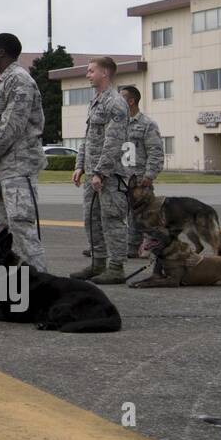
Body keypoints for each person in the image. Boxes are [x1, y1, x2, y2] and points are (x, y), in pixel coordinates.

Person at [0, 33, 48, 271]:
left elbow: (10, 127)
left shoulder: (19, 80)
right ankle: (8, 295)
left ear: (2, 52)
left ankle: (38, 294)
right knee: (4, 237)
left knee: (23, 233)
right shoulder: (5, 82)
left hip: (18, 170)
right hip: (3, 171)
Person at [70, 56, 131, 284]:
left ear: (104, 73)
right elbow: (89, 138)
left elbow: (113, 141)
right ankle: (98, 264)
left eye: (91, 71)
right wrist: (80, 166)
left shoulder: (115, 102)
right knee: (91, 219)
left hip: (109, 176)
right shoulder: (96, 101)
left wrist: (101, 173)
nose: (87, 75)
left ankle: (116, 267)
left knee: (112, 220)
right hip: (93, 173)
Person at [119, 85, 164, 257]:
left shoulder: (147, 124)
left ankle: (140, 246)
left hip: (138, 179)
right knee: (118, 214)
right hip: (120, 176)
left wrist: (149, 175)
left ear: (131, 101)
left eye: (121, 98)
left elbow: (156, 151)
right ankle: (119, 246)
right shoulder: (117, 123)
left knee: (142, 216)